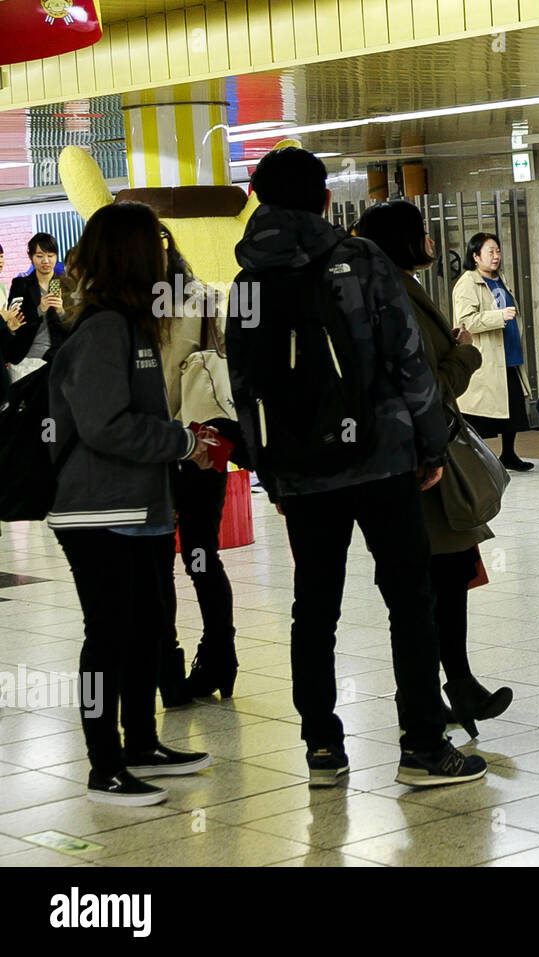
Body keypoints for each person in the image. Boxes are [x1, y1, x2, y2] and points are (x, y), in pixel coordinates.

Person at [227, 147, 485, 788]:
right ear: (323, 200)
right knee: (408, 601)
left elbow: (243, 387)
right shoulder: (362, 260)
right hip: (383, 459)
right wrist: (429, 448)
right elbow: (408, 363)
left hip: (304, 472)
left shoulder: (246, 283)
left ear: (258, 199)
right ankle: (423, 745)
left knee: (314, 607)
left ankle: (322, 748)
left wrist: (272, 473)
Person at [47, 202, 214, 806]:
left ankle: (141, 743)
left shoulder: (133, 323)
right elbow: (105, 426)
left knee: (148, 628)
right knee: (108, 637)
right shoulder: (102, 329)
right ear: (134, 255)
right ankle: (103, 764)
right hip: (96, 511)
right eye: (158, 245)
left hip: (138, 508)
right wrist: (183, 440)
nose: (167, 254)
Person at [354, 200, 513, 737]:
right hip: (423, 464)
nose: (429, 240)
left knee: (441, 578)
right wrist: (465, 352)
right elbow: (426, 385)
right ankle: (442, 694)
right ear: (403, 241)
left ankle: (451, 687)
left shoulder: (388, 287)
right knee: (437, 580)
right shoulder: (397, 294)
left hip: (411, 457)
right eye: (420, 232)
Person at [154, 229, 240, 705]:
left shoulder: (199, 298)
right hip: (183, 442)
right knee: (189, 555)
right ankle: (201, 658)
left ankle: (202, 656)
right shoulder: (202, 297)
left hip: (183, 441)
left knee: (187, 554)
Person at [454, 233, 534, 472]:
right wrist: (498, 317)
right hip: (487, 359)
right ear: (475, 256)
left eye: (498, 251)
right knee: (481, 412)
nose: (496, 256)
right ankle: (475, 459)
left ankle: (509, 454)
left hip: (508, 354)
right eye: (490, 252)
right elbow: (465, 321)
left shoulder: (500, 279)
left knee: (512, 409)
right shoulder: (468, 282)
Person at [3, 233, 70, 381]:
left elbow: (74, 325)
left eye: (50, 255)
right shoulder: (21, 284)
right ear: (31, 257)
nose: (45, 261)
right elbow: (16, 322)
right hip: (25, 358)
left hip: (57, 358)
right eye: (39, 256)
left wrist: (61, 311)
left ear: (56, 256)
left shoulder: (66, 284)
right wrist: (40, 309)